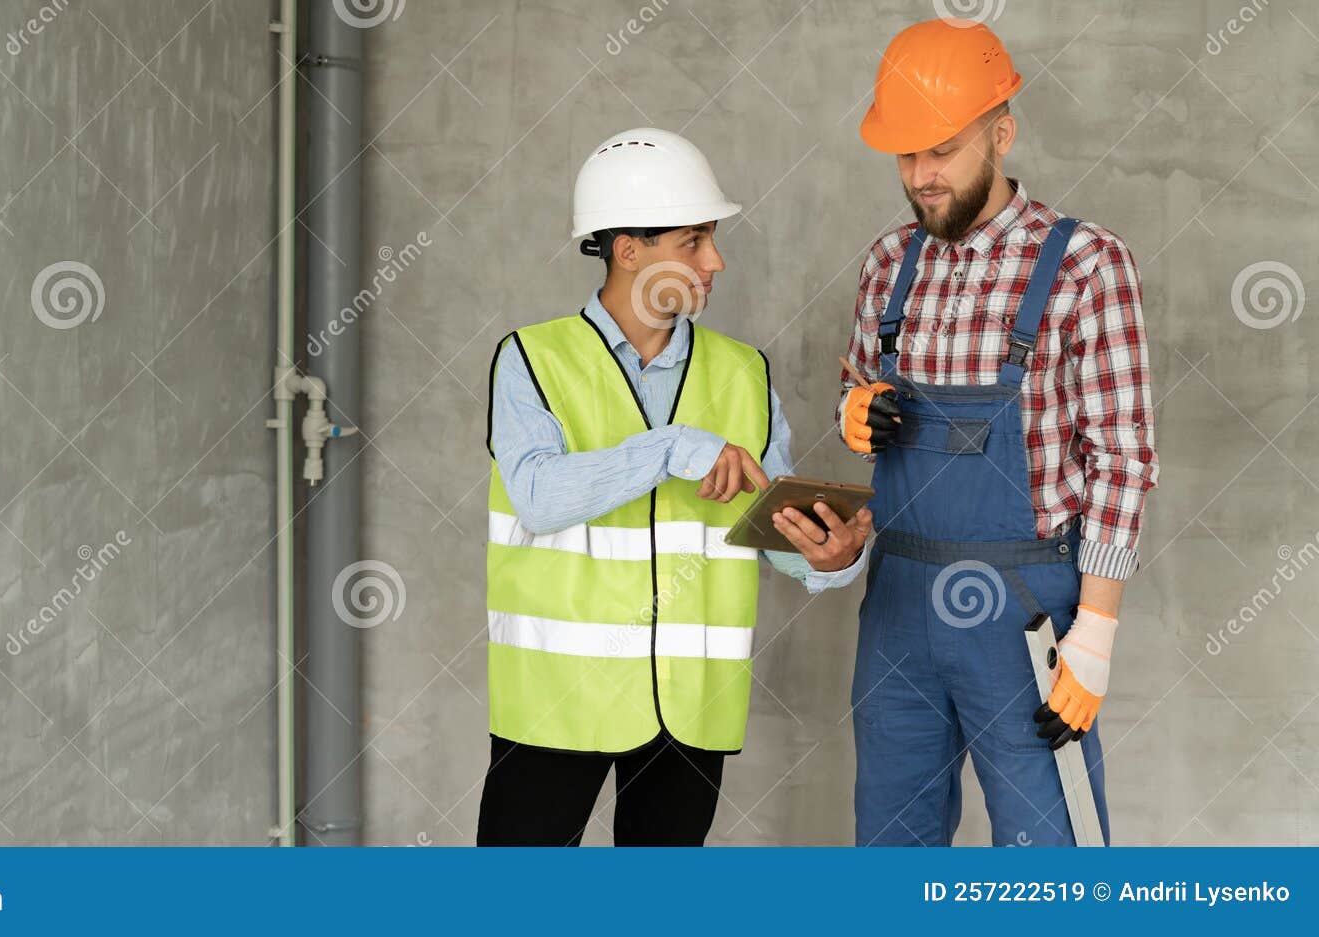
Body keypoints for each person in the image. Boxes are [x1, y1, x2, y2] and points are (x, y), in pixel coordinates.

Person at [477, 128, 872, 846]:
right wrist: (670, 449)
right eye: (693, 242)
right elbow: (537, 496)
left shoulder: (743, 372)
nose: (716, 261)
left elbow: (768, 527)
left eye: (711, 239)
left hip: (690, 703)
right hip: (559, 700)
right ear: (628, 249)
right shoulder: (532, 358)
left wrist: (828, 557)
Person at [839, 18, 1159, 846]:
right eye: (906, 156)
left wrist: (1096, 631)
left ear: (1001, 132)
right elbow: (857, 391)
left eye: (940, 150)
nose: (921, 176)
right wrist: (854, 412)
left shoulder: (1085, 263)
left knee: (1048, 857)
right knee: (889, 844)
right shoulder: (888, 262)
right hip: (899, 605)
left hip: (1027, 618)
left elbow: (1121, 460)